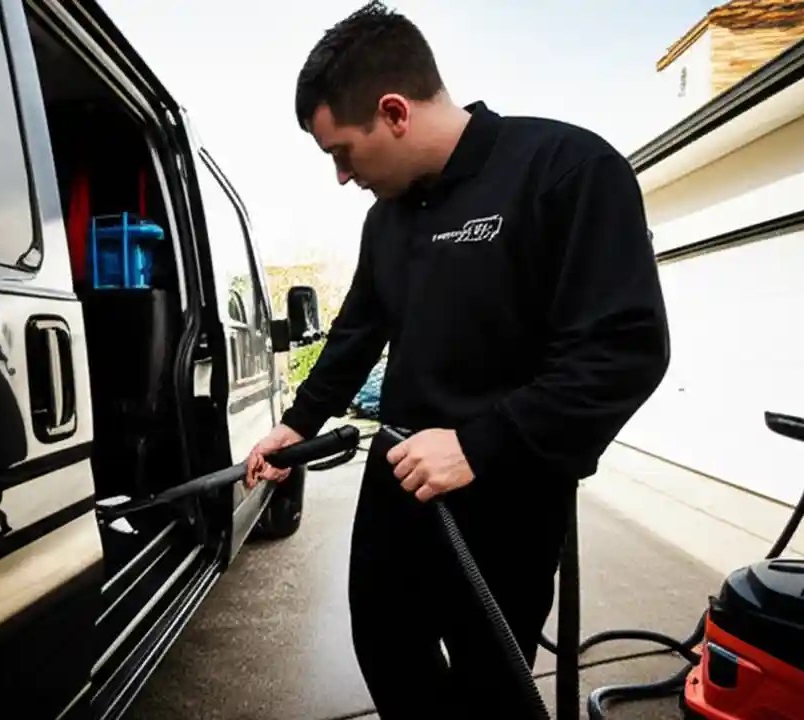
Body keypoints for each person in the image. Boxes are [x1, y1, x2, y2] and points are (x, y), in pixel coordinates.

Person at [245, 2, 671, 716]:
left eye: (342, 152)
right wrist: (298, 424)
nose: (342, 177)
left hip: (506, 496)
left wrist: (481, 445)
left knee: (490, 687)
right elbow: (357, 331)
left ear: (394, 112)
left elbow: (625, 349)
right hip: (398, 487)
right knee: (386, 650)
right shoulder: (388, 218)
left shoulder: (565, 170)